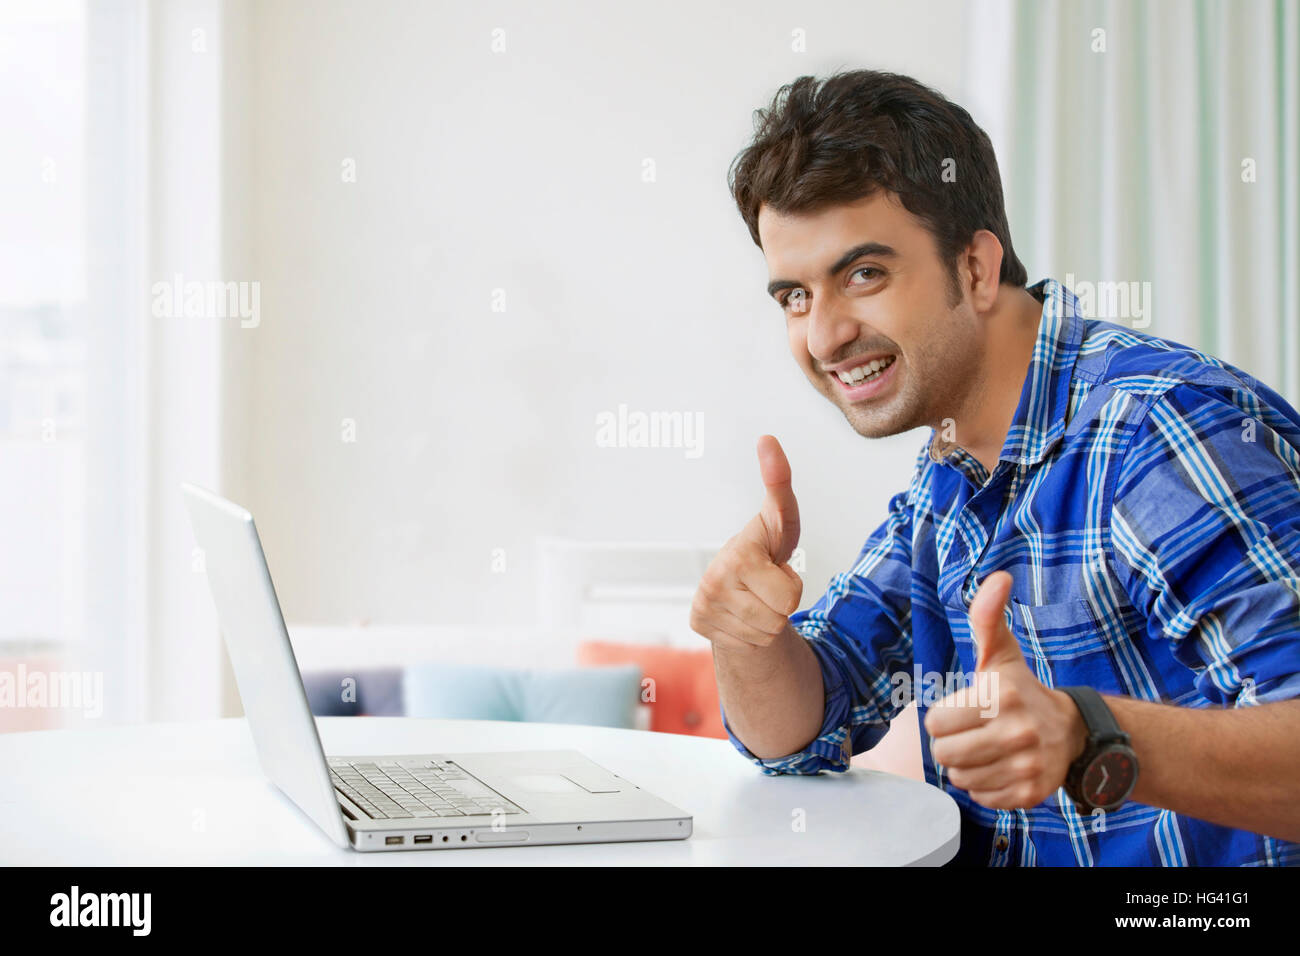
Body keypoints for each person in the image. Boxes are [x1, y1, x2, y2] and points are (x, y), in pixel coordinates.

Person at [691, 69, 1300, 866]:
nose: (825, 336)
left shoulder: (1158, 432)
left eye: (863, 274)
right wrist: (746, 641)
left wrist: (1090, 735)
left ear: (976, 267)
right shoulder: (950, 466)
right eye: (795, 297)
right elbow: (811, 718)